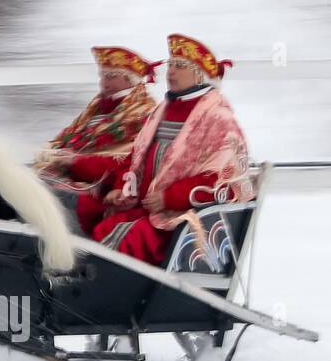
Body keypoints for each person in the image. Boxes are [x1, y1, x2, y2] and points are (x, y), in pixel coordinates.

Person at [52, 34, 254, 264]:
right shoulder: (164, 110)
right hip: (149, 207)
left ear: (198, 73)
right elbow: (136, 158)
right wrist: (122, 187)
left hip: (185, 217)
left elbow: (225, 180)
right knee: (101, 221)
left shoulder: (219, 118)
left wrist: (170, 197)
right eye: (170, 65)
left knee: (126, 236)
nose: (171, 72)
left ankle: (100, 284)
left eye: (180, 66)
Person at [36, 46, 159, 232]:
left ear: (129, 79)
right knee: (28, 180)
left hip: (106, 189)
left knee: (57, 195)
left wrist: (74, 161)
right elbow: (68, 136)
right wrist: (52, 152)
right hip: (72, 174)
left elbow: (126, 164)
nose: (103, 82)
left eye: (110, 76)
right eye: (102, 76)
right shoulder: (97, 106)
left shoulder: (142, 113)